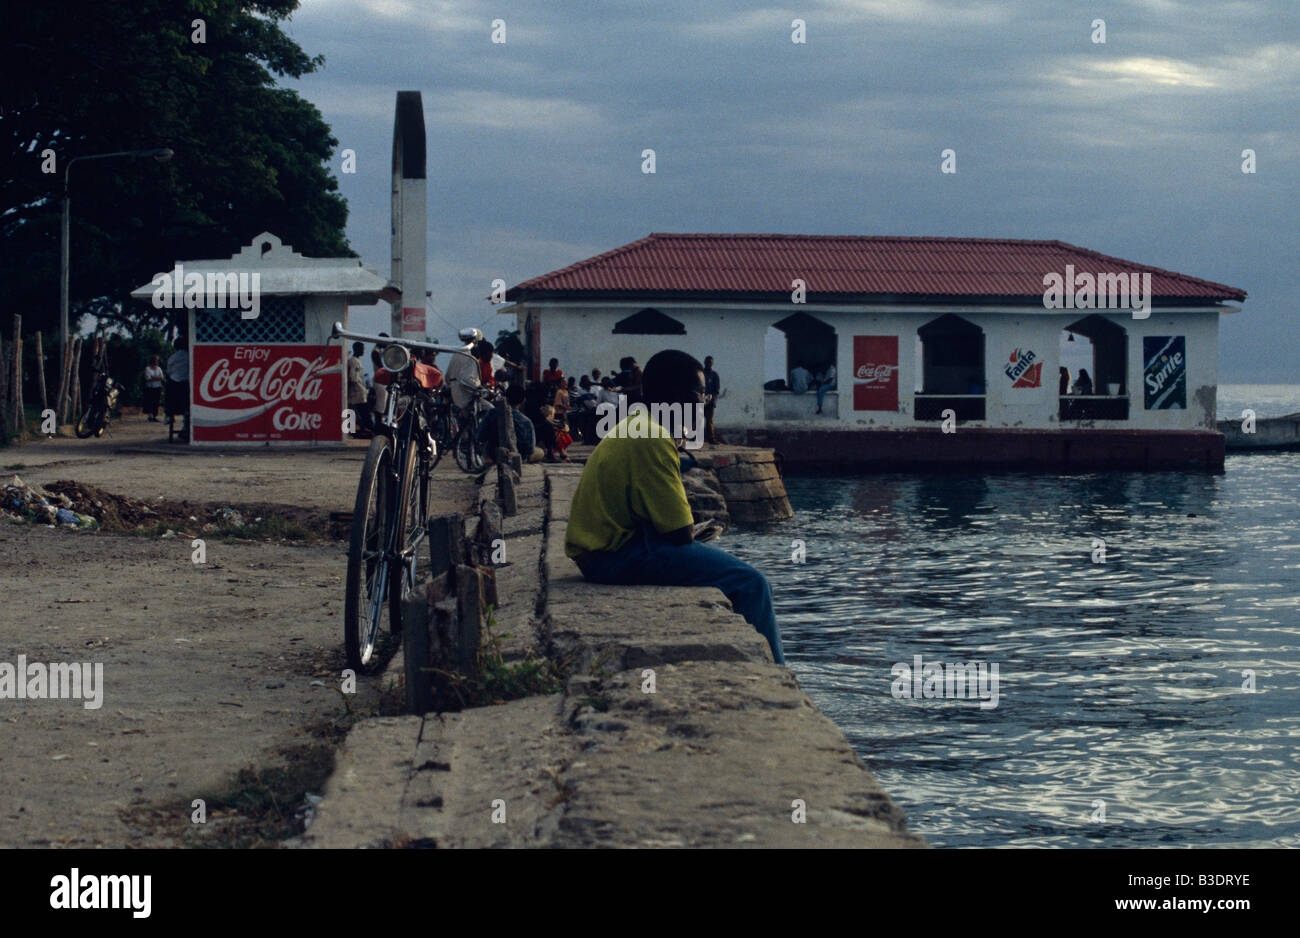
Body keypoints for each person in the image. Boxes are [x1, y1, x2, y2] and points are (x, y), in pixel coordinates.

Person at [564, 349, 785, 664]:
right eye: (700, 395)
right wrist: (691, 531)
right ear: (677, 396)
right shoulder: (654, 438)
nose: (703, 403)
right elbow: (679, 533)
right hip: (614, 556)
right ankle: (775, 673)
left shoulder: (637, 426)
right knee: (752, 583)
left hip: (599, 550)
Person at [478, 382, 544, 463]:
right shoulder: (526, 421)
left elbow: (480, 436)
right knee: (540, 452)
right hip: (517, 457)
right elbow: (529, 449)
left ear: (506, 397)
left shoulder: (492, 413)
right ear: (523, 400)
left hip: (494, 454)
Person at [165, 337, 190, 441]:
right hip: (187, 384)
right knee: (187, 407)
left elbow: (169, 372)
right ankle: (186, 425)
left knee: (169, 400)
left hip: (174, 384)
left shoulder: (172, 357)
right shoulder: (189, 356)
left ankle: (169, 415)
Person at [346, 342, 371, 436]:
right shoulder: (354, 361)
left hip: (359, 391)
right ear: (357, 349)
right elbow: (353, 377)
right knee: (362, 412)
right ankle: (360, 430)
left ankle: (357, 430)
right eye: (362, 349)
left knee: (356, 412)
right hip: (357, 391)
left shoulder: (356, 361)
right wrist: (361, 389)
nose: (363, 351)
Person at [702, 355, 721, 444]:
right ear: (704, 362)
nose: (709, 364)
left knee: (709, 420)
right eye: (707, 362)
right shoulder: (700, 373)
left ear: (712, 364)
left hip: (709, 401)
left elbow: (716, 389)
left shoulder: (714, 375)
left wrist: (712, 400)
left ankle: (711, 439)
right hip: (700, 400)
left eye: (710, 362)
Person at [142, 355, 164, 422]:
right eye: (155, 360)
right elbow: (148, 378)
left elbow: (161, 377)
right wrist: (157, 378)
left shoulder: (159, 368)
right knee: (149, 402)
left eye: (157, 360)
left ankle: (154, 416)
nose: (156, 361)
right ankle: (150, 416)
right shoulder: (147, 369)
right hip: (150, 387)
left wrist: (153, 377)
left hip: (157, 387)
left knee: (156, 402)